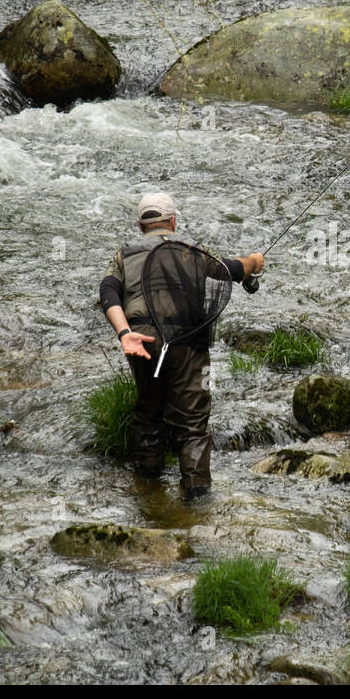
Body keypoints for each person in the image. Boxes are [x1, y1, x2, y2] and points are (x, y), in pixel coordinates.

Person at [98, 192, 264, 498]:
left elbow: (108, 290)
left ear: (140, 225)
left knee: (148, 412)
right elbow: (232, 270)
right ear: (173, 221)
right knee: (192, 423)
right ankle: (197, 499)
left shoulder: (124, 254)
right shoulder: (191, 250)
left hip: (142, 340)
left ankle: (148, 490)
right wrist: (254, 262)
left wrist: (124, 334)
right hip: (188, 341)